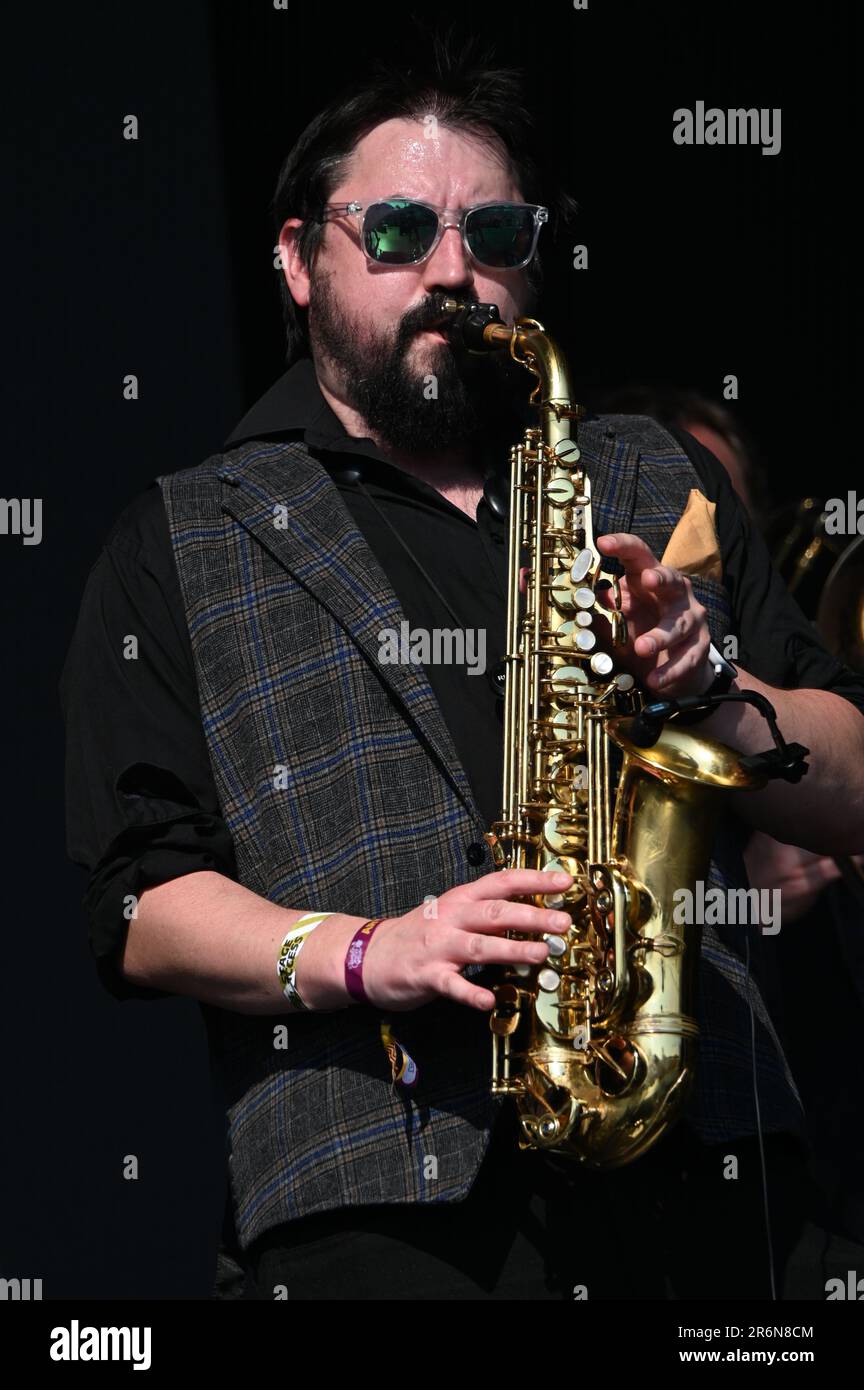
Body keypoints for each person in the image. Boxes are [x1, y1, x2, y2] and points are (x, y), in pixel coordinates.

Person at [60, 36, 864, 1300]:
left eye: (491, 231)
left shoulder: (654, 472)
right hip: (387, 1233)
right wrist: (376, 951)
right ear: (297, 257)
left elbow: (853, 780)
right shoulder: (180, 534)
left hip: (715, 1186)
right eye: (395, 229)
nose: (452, 270)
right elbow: (136, 907)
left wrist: (707, 686)